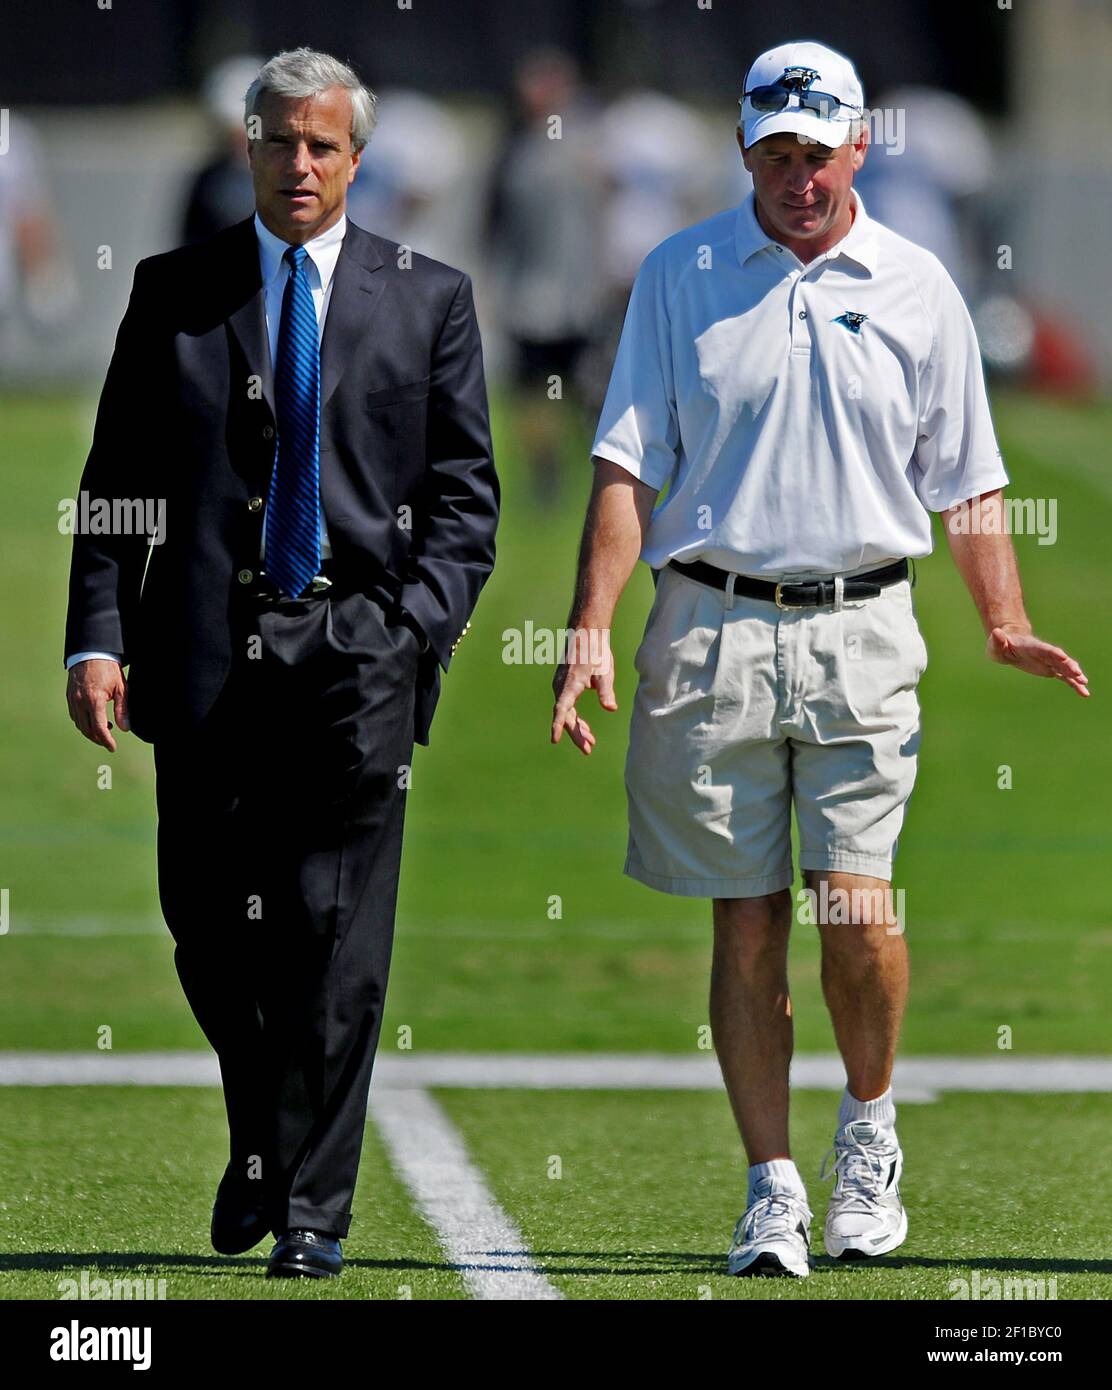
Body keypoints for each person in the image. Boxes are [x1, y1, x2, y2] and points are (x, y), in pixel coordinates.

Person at [551, 39, 1087, 1279]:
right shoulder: (677, 274)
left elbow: (970, 478)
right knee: (744, 924)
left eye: (818, 152)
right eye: (776, 154)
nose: (798, 178)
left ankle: (866, 1130)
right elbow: (626, 465)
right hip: (709, 627)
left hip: (861, 628)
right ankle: (771, 1185)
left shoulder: (917, 282)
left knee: (855, 903)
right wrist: (585, 625)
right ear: (748, 152)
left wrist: (1000, 618)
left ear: (859, 148)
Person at [64, 47, 499, 1279]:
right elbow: (116, 488)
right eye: (277, 142)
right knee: (208, 930)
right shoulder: (174, 292)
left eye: (321, 145)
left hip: (357, 656)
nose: (297, 164)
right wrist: (98, 633)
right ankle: (262, 1134)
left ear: (357, 158)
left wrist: (410, 625)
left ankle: (314, 1209)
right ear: (245, 148)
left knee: (334, 944)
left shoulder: (430, 298)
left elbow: (465, 500)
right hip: (200, 658)